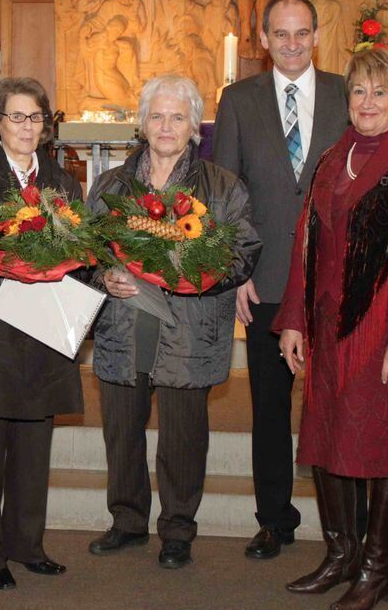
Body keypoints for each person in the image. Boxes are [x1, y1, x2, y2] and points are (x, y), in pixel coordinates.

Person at [274, 49, 388, 608]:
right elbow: (306, 242)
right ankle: (341, 555)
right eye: (358, 92)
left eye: (379, 93)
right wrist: (294, 321)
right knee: (327, 438)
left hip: (381, 329)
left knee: (378, 445)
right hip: (327, 326)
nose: (367, 103)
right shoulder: (332, 157)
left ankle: (377, 571)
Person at [86, 75, 261, 569]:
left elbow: (244, 253)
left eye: (177, 117)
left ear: (193, 127)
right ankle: (126, 521)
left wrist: (193, 273)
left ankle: (178, 529)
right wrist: (104, 276)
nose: (166, 126)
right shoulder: (111, 185)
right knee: (121, 429)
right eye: (157, 116)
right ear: (143, 124)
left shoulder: (223, 187)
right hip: (124, 325)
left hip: (189, 327)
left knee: (184, 437)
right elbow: (85, 254)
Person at [212, 0, 352, 560]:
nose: (292, 44)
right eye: (280, 34)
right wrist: (236, 270)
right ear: (263, 40)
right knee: (269, 406)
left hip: (337, 279)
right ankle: (275, 518)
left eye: (302, 33)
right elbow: (225, 191)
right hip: (265, 278)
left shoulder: (351, 94)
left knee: (336, 403)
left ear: (317, 35)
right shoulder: (238, 100)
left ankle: (346, 524)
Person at [0, 77, 83, 591]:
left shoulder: (64, 180)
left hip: (45, 326)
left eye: (36, 118)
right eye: (17, 117)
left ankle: (26, 543)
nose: (27, 127)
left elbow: (81, 250)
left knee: (35, 442)